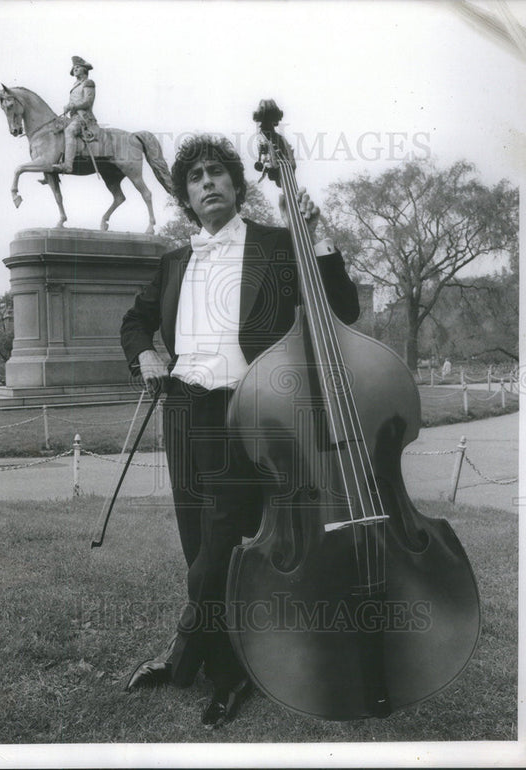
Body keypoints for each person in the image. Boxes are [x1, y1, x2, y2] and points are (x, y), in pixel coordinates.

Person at [120, 134, 360, 728]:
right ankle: (223, 661)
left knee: (224, 541)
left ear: (236, 183)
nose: (207, 182)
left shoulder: (278, 245)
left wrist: (317, 236)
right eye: (195, 177)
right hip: (183, 411)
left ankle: (197, 661)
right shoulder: (175, 260)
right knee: (199, 543)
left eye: (216, 172)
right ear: (185, 196)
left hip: (246, 411)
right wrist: (144, 356)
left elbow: (343, 308)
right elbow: (135, 320)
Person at [53, 56, 97, 173]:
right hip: (73, 117)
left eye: (78, 67)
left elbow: (88, 101)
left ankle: (68, 165)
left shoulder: (88, 83)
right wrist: (68, 106)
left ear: (84, 69)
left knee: (69, 131)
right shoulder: (75, 85)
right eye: (74, 67)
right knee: (55, 129)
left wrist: (72, 106)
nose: (75, 69)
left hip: (84, 117)